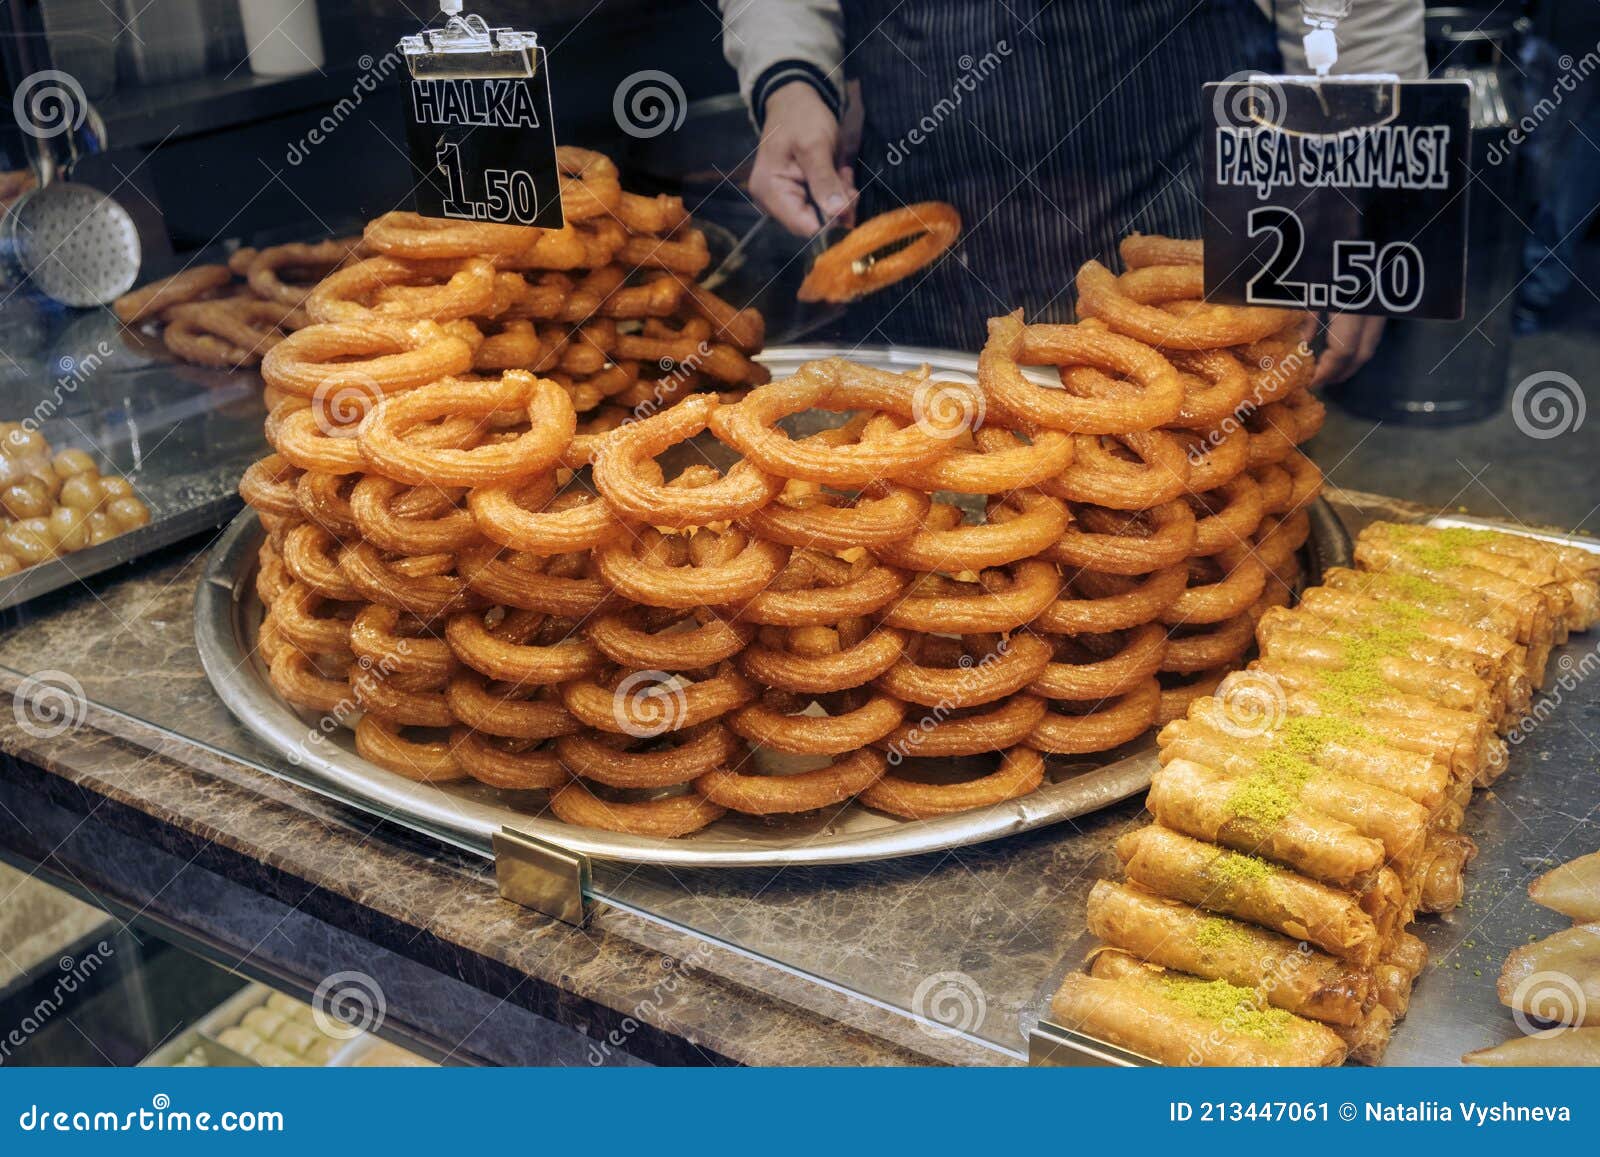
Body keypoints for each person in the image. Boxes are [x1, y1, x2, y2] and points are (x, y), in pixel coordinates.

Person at [719, 0, 1426, 384]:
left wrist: (1354, 192)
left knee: (1210, 520)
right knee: (915, 532)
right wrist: (789, 79)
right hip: (923, 215)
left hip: (1183, 201)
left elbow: (1347, 12)